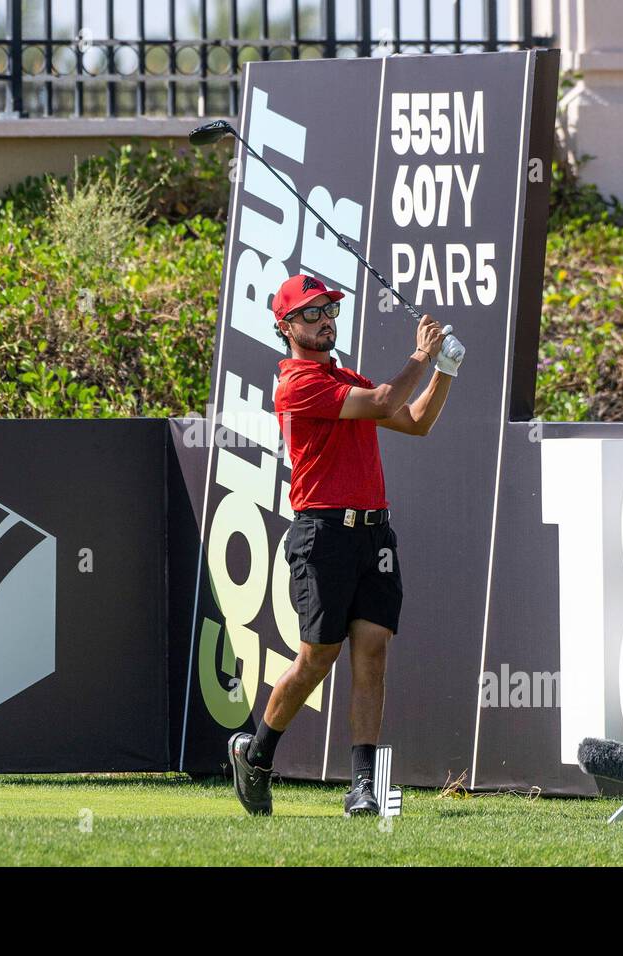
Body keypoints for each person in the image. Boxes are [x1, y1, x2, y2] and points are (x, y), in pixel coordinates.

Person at [229, 273, 463, 817]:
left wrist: (445, 370)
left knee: (373, 654)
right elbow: (386, 398)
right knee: (317, 658)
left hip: (374, 534)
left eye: (330, 310)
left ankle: (364, 786)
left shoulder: (341, 377)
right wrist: (422, 355)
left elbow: (415, 421)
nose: (325, 320)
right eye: (311, 314)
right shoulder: (296, 382)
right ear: (286, 326)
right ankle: (257, 755)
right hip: (323, 534)